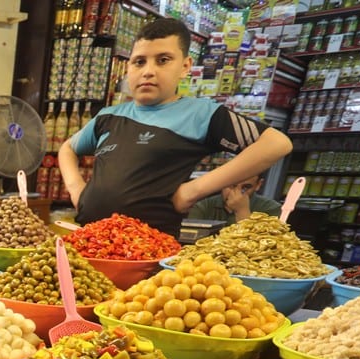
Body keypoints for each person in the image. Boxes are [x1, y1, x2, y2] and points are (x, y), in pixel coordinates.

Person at [58, 17, 293, 237]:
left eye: (163, 60)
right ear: (128, 67)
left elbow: (276, 144)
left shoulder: (200, 113)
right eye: (139, 61)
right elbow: (67, 148)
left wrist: (194, 190)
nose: (148, 71)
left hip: (150, 254)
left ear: (185, 66)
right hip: (90, 243)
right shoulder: (107, 116)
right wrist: (77, 190)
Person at [188, 172, 282, 224]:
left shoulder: (272, 209)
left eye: (246, 187)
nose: (236, 193)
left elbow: (263, 251)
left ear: (258, 185)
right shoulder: (203, 206)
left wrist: (242, 211)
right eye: (231, 185)